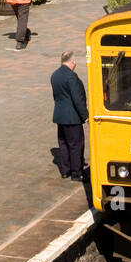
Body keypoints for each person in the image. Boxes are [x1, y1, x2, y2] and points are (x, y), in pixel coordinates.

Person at [50, 49, 88, 180]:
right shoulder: (71, 76)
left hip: (60, 115)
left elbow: (56, 96)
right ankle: (77, 172)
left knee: (64, 144)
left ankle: (65, 170)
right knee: (76, 145)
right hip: (72, 117)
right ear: (72, 61)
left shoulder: (55, 75)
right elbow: (77, 98)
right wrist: (85, 115)